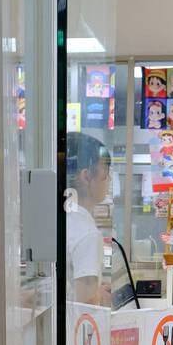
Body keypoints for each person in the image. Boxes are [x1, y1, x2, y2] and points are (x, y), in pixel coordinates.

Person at [66, 131, 111, 305]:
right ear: (86, 176)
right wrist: (101, 296)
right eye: (105, 173)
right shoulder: (87, 233)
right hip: (73, 330)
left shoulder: (62, 218)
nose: (108, 180)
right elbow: (86, 305)